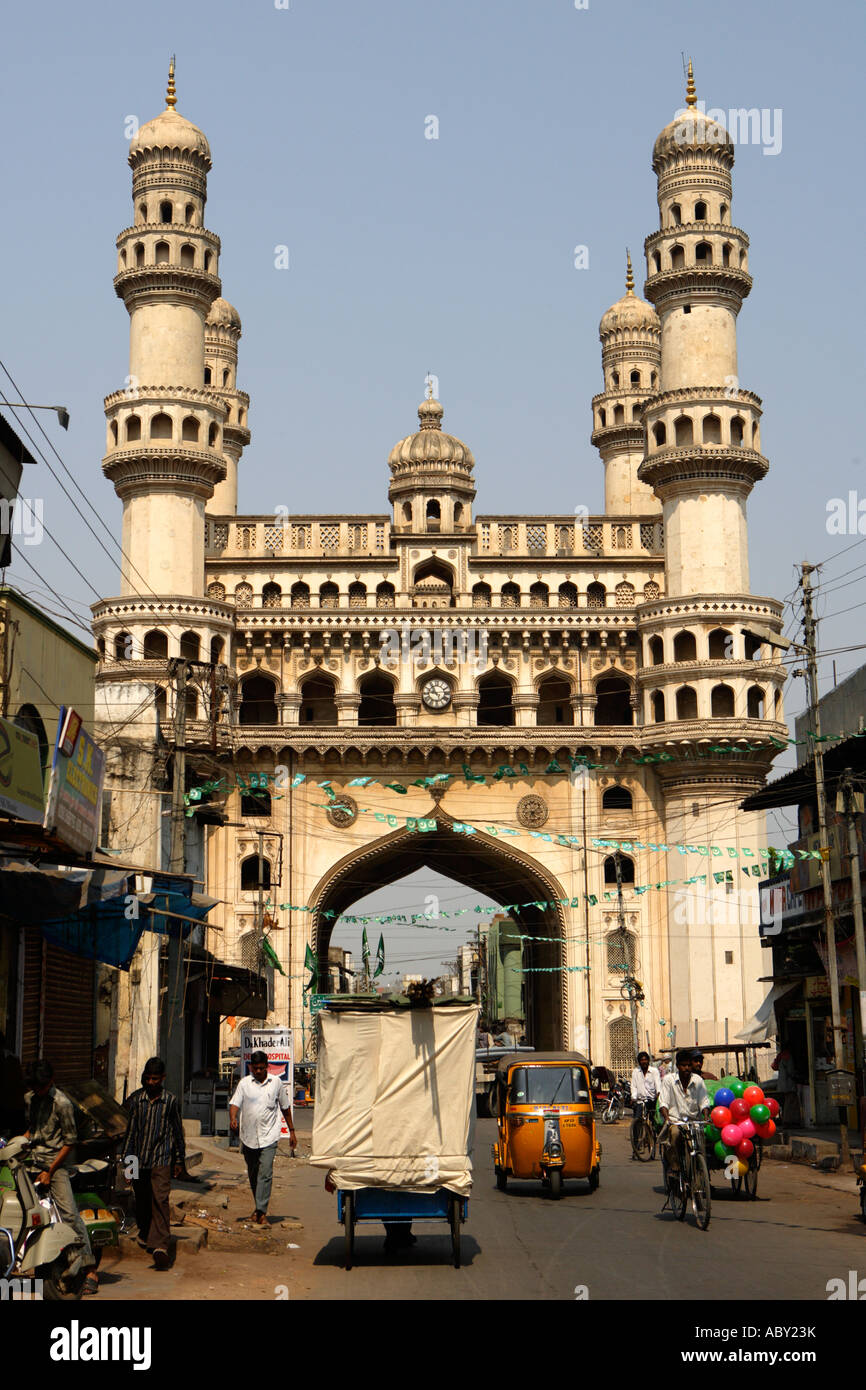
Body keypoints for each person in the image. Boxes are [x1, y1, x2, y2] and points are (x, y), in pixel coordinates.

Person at [23, 1059, 97, 1294]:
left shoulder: (62, 1103)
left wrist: (50, 1171)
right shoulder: (30, 1099)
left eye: (40, 1086)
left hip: (56, 1165)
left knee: (69, 1214)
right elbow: (31, 1130)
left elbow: (69, 1141)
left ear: (50, 1082)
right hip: (31, 1162)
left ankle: (89, 1268)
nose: (37, 1090)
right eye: (34, 1087)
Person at [123, 1056, 186, 1269]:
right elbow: (130, 1134)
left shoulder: (170, 1101)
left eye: (155, 1079)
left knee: (160, 1199)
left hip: (162, 1158)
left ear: (163, 1078)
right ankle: (146, 1233)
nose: (151, 1083)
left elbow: (178, 1132)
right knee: (142, 1199)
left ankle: (160, 1247)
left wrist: (179, 1160)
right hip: (139, 1159)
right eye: (148, 1079)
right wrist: (128, 1164)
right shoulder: (136, 1101)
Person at [229, 1051, 296, 1225]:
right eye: (255, 1068)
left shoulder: (276, 1083)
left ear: (267, 1066)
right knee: (253, 1174)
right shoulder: (244, 1084)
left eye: (261, 1068)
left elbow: (285, 1107)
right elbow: (235, 1104)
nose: (258, 1071)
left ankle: (261, 1211)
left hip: (269, 1136)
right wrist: (233, 1119)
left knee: (265, 1173)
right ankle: (258, 1208)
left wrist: (292, 1131)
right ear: (251, 1067)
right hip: (248, 1136)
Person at [658, 1048, 711, 1176]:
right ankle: (674, 1166)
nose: (686, 1068)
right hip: (676, 1121)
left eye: (688, 1065)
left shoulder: (697, 1080)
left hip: (694, 1122)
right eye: (683, 1065)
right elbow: (663, 1102)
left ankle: (703, 1174)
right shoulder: (669, 1080)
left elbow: (704, 1101)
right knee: (674, 1135)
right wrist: (667, 1119)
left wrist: (706, 1117)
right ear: (677, 1066)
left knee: (701, 1144)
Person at [630, 1051, 661, 1157]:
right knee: (636, 1123)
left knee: (653, 1124)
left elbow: (658, 1084)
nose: (644, 1061)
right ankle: (636, 1147)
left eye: (645, 1059)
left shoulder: (654, 1071)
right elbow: (633, 1086)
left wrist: (658, 1094)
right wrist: (633, 1097)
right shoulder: (635, 1072)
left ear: (648, 1061)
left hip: (652, 1100)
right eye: (642, 1060)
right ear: (639, 1062)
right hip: (640, 1100)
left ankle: (652, 1143)